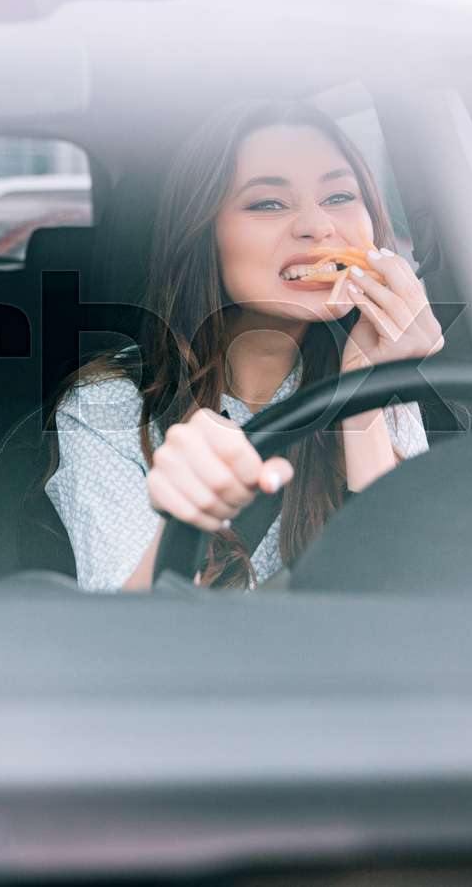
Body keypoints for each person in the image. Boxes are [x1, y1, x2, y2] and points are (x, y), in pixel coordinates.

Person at [45, 100, 444, 591]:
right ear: (204, 235)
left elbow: (405, 603)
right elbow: (129, 634)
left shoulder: (383, 369)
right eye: (268, 203)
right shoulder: (111, 406)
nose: (318, 226)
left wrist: (363, 395)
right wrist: (186, 517)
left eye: (339, 196)